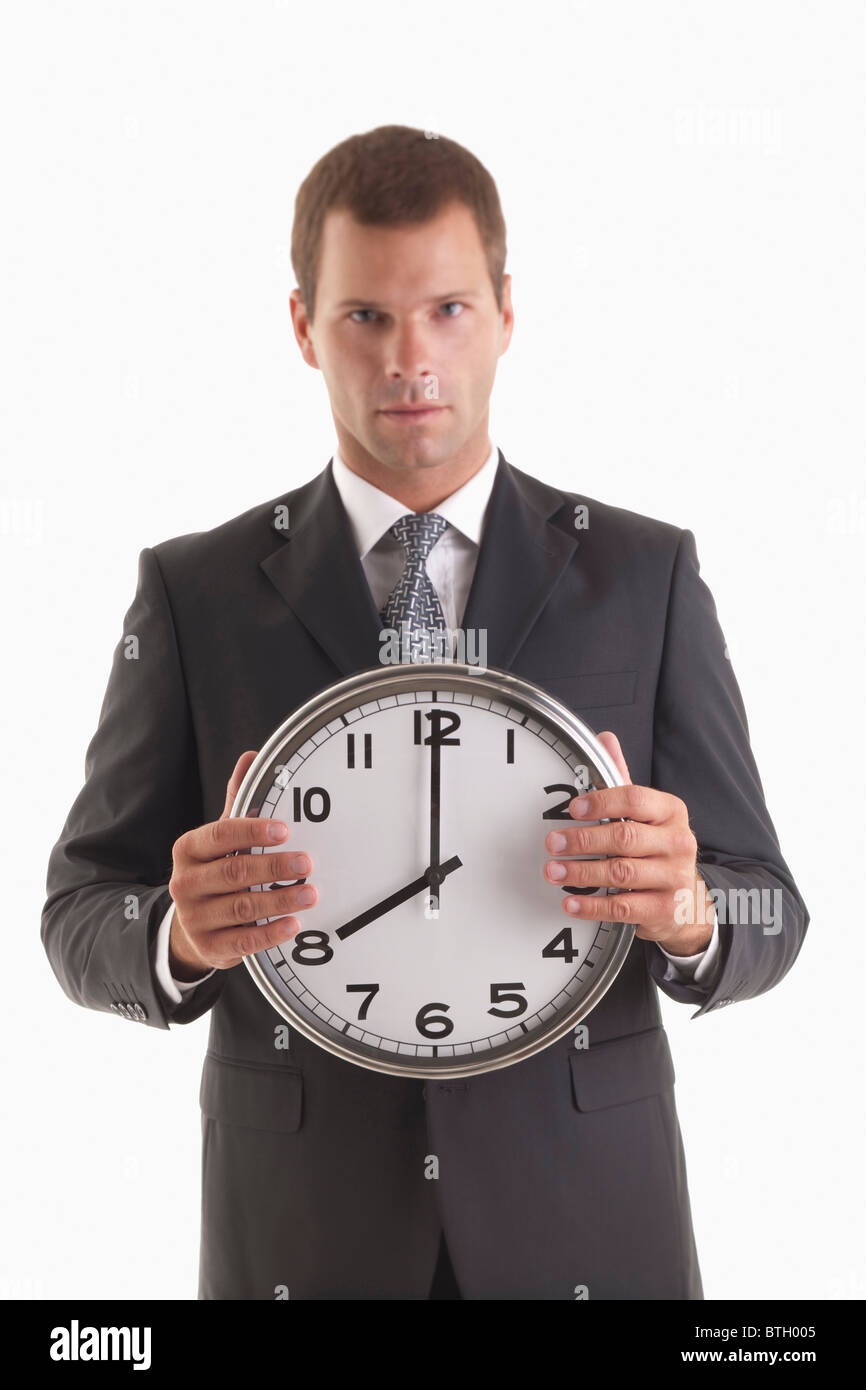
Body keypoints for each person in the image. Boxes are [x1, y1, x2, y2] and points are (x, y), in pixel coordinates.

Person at [41, 124, 809, 1300]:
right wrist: (179, 933)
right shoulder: (192, 592)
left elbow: (771, 905)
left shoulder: (643, 575)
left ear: (505, 311)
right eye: (366, 317)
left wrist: (694, 907)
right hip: (302, 1234)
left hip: (588, 1226)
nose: (410, 358)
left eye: (447, 309)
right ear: (302, 326)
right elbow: (82, 911)